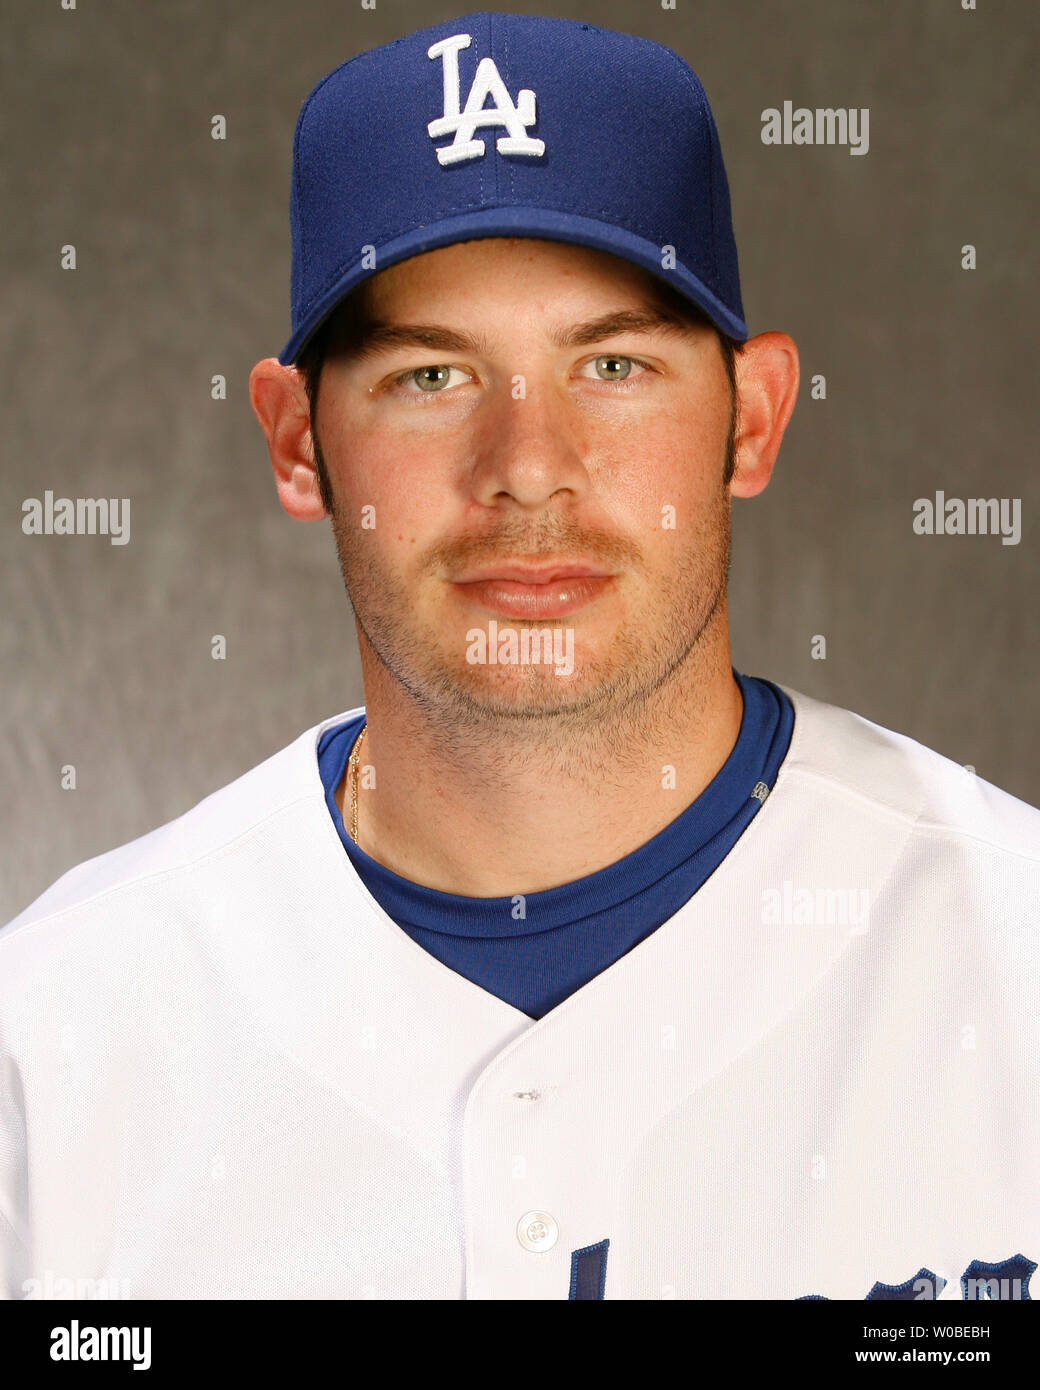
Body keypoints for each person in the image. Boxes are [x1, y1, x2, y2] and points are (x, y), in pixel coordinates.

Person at [1, 11, 1036, 1302]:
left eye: (613, 363)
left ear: (754, 418)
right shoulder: (54, 1038)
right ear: (295, 441)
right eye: (430, 376)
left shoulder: (1017, 947)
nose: (528, 466)